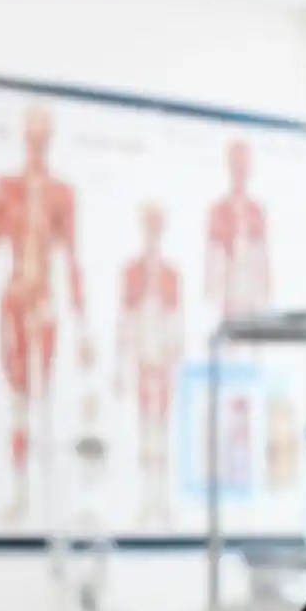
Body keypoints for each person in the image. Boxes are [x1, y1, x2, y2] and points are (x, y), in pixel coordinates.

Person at [0, 106, 94, 522]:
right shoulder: (6, 188)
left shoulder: (62, 193)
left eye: (43, 135)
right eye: (32, 134)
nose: (37, 142)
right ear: (24, 137)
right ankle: (21, 493)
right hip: (15, 299)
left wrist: (84, 329)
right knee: (18, 400)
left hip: (45, 304)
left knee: (44, 401)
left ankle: (46, 498)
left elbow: (72, 260)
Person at [116, 202, 183, 528]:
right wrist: (120, 364)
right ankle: (146, 501)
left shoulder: (171, 274)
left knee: (163, 430)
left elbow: (177, 320)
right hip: (143, 358)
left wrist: (176, 361)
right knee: (147, 430)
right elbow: (126, 319)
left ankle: (163, 502)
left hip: (164, 360)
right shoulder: (132, 272)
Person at [205, 139, 272, 317]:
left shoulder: (257, 211)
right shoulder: (217, 210)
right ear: (229, 166)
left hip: (253, 300)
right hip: (228, 296)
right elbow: (212, 263)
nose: (240, 170)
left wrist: (263, 299)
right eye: (236, 164)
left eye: (244, 164)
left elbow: (263, 261)